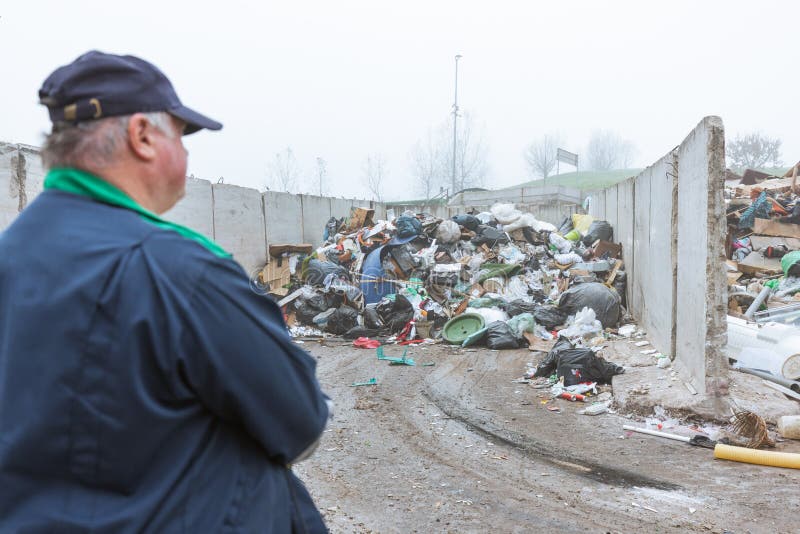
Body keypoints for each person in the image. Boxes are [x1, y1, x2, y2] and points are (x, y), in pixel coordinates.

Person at [0, 51, 330, 533]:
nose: (188, 152)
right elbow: (301, 425)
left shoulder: (11, 257)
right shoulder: (179, 270)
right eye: (181, 134)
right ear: (142, 136)